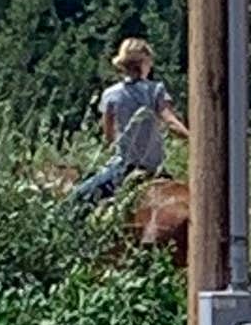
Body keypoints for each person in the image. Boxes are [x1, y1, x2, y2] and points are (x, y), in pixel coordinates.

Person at [68, 38, 189, 209]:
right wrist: (192, 138)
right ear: (144, 63)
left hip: (124, 169)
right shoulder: (156, 90)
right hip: (155, 169)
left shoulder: (110, 95)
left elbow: (109, 137)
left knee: (75, 199)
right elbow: (170, 121)